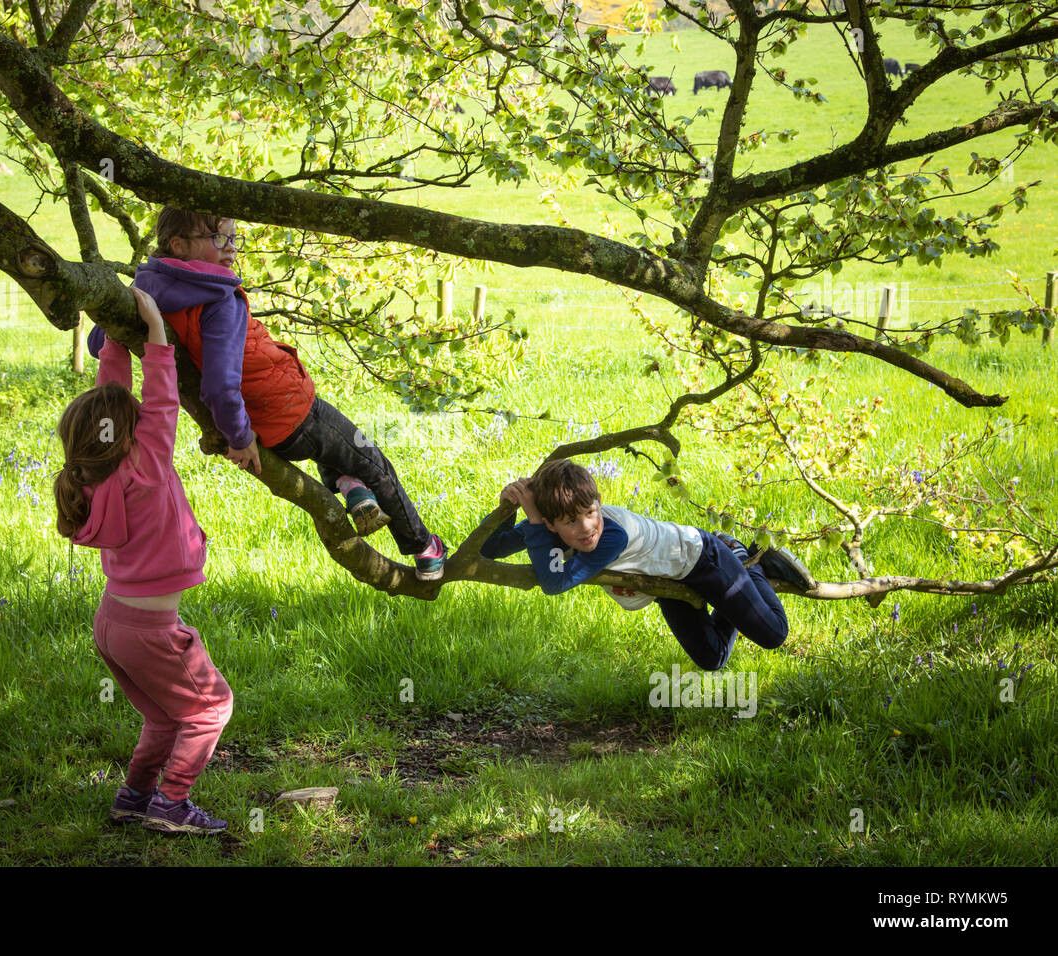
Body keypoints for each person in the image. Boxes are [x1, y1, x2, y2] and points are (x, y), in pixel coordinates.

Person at [91, 207, 447, 580]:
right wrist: (240, 438)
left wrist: (133, 311)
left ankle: (352, 490)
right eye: (219, 238)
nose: (231, 247)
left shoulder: (150, 287)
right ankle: (425, 549)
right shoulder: (218, 299)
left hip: (264, 420)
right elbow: (219, 384)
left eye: (233, 237)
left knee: (338, 450)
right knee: (373, 461)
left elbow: (98, 337)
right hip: (288, 413)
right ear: (179, 245)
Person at [56, 286, 232, 835]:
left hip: (113, 623)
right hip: (151, 631)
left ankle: (134, 796)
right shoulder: (148, 464)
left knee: (162, 714)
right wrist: (155, 329)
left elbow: (111, 396)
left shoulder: (99, 469)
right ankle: (171, 803)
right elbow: (161, 396)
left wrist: (112, 334)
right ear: (133, 434)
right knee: (209, 709)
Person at [480, 459, 816, 671]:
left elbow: (554, 583)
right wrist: (507, 511)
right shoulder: (541, 527)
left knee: (774, 633)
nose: (585, 528)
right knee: (712, 659)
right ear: (551, 523)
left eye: (590, 512)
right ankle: (739, 587)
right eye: (570, 521)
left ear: (598, 503)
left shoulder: (612, 536)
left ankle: (751, 558)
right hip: (666, 583)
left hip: (703, 560)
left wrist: (536, 524)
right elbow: (487, 549)